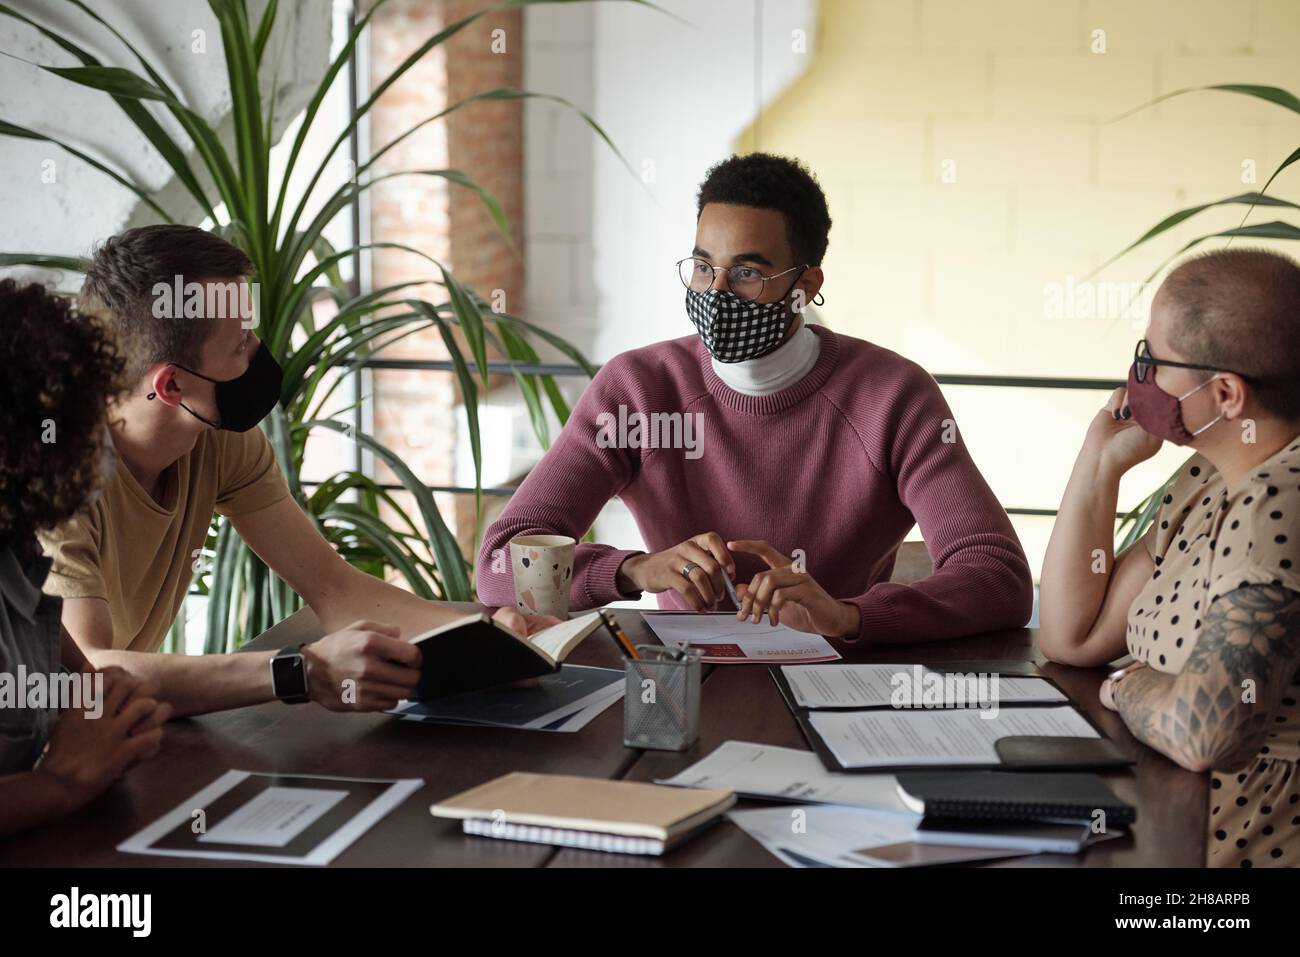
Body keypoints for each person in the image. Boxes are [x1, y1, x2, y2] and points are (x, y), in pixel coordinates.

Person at [476, 153, 1032, 645]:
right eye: (702, 267)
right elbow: (501, 562)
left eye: (746, 272)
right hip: (682, 675)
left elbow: (997, 578)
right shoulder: (638, 391)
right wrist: (636, 571)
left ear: (806, 286)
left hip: (840, 677)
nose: (716, 294)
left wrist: (845, 616)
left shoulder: (892, 397)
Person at [39, 225, 549, 718]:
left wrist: (488, 635)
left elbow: (334, 589)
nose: (260, 349)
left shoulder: (216, 438)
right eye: (240, 344)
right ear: (171, 387)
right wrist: (297, 672)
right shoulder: (53, 473)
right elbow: (91, 672)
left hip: (117, 737)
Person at [1039, 248, 1300, 867]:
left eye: (1155, 361)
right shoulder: (1211, 475)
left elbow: (1203, 729)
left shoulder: (1278, 503)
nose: (1140, 374)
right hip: (1164, 819)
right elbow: (1072, 637)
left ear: (1228, 394)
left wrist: (1129, 685)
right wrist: (1099, 463)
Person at [0, 278, 171, 838]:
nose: (102, 443)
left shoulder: (17, 552)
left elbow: (88, 683)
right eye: (84, 424)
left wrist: (116, 716)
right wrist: (61, 783)